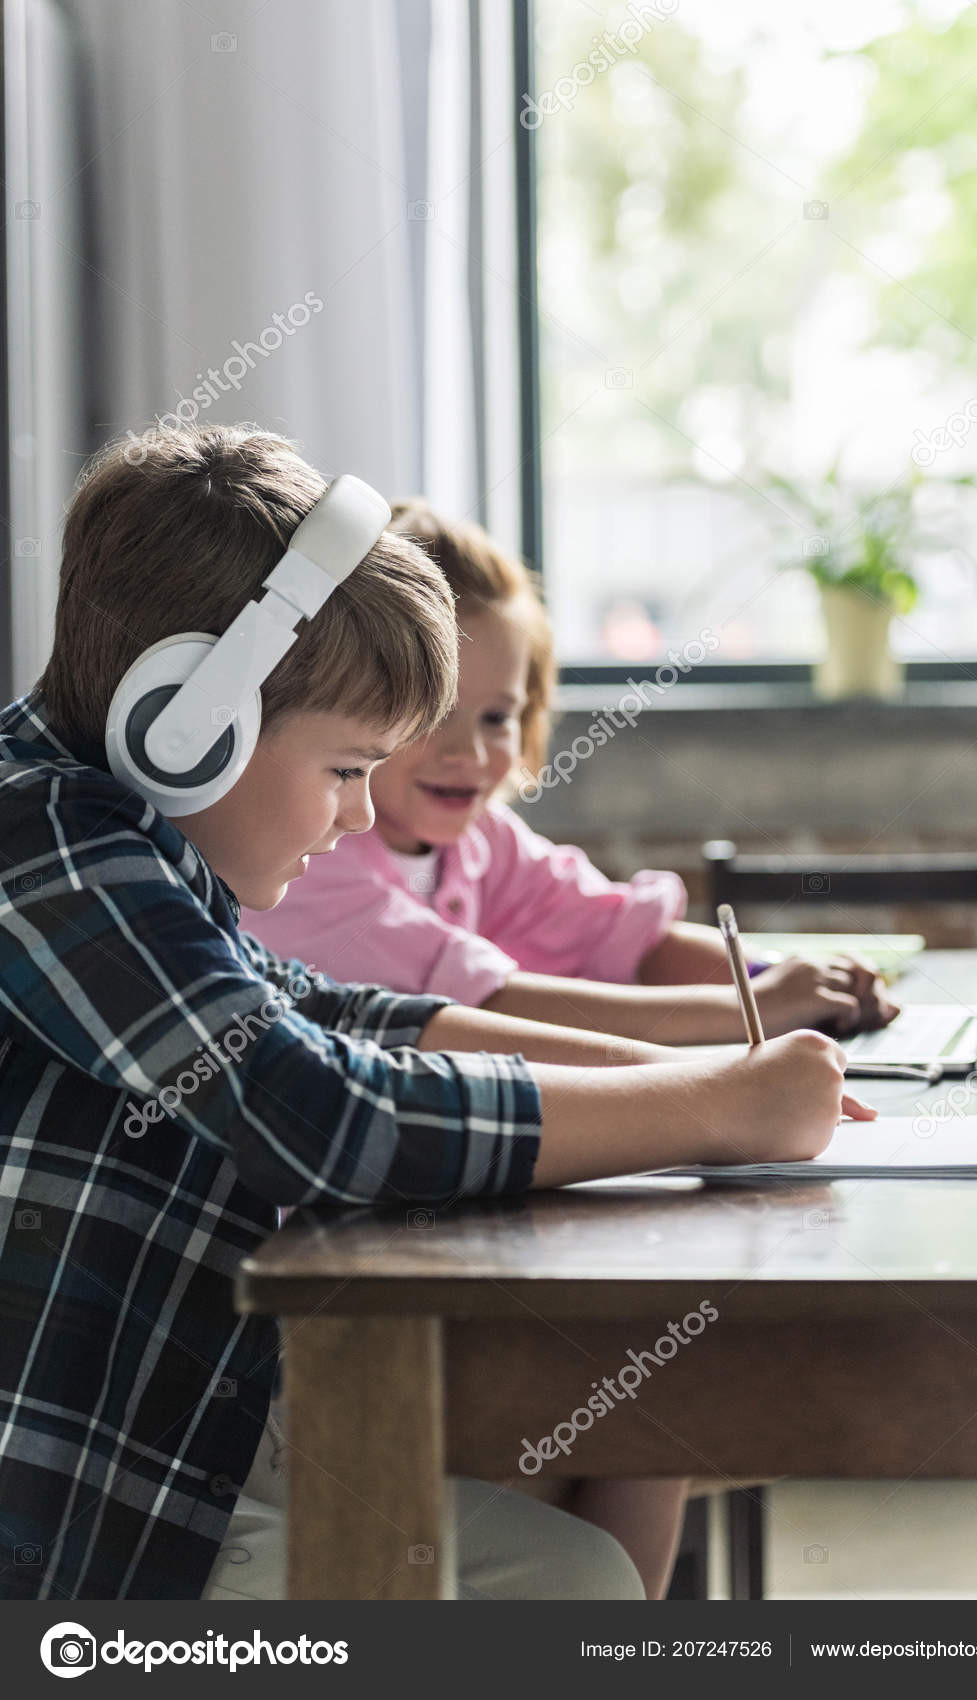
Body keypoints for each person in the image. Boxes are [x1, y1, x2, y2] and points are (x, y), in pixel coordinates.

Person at [0, 428, 871, 1603]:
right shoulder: (44, 846)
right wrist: (713, 1109)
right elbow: (310, 1104)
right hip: (78, 1524)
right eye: (349, 765)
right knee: (571, 1582)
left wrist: (700, 1078)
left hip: (175, 1414)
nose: (361, 814)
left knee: (583, 1556)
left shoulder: (128, 837)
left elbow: (340, 1012)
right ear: (186, 723)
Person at [250, 498, 900, 1045]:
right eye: (433, 715)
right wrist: (753, 1011)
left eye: (497, 718)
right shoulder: (308, 855)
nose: (470, 755)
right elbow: (486, 1010)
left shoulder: (484, 844)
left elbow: (625, 940)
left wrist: (782, 978)